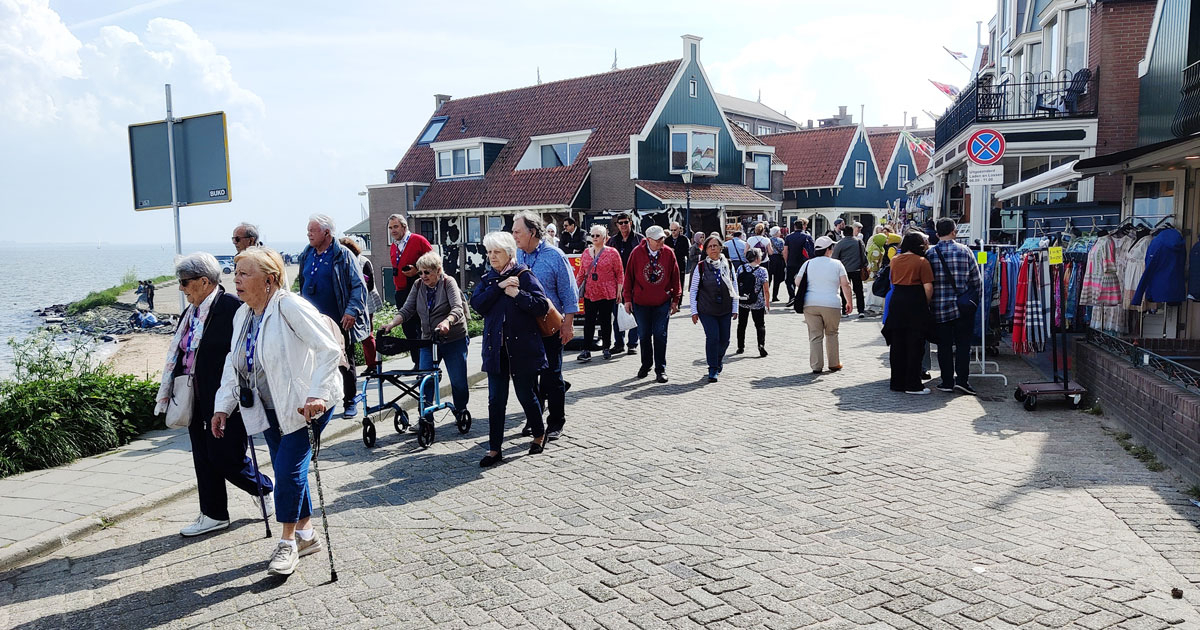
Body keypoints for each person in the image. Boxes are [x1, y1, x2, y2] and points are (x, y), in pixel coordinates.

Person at [213, 246, 343, 576]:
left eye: (245, 274)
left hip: (307, 404)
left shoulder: (290, 306)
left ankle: (287, 544)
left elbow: (329, 350)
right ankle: (306, 535)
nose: (236, 280)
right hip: (268, 406)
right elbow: (234, 364)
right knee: (289, 470)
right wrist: (223, 407)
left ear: (269, 279)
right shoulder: (243, 315)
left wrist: (316, 394)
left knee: (288, 470)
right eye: (235, 273)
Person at [155, 252, 273, 538]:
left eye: (185, 282)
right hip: (193, 396)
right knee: (203, 457)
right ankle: (213, 513)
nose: (181, 289)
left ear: (204, 281)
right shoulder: (191, 312)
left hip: (226, 396)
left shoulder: (232, 308)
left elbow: (244, 352)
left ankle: (264, 488)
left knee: (225, 456)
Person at [470, 231, 549, 467]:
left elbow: (541, 305)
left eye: (497, 252)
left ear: (509, 254)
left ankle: (538, 434)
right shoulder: (487, 279)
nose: (492, 257)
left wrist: (517, 294)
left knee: (526, 395)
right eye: (489, 252)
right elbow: (477, 305)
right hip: (496, 350)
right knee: (496, 400)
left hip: (522, 348)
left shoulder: (523, 275)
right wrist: (499, 287)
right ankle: (495, 449)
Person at [379, 251, 470, 422]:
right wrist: (391, 324)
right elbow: (407, 309)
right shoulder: (418, 285)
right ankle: (426, 418)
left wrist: (447, 322)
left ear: (438, 270)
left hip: (453, 339)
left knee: (458, 381)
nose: (423, 276)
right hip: (428, 339)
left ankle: (461, 410)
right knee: (425, 379)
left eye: (427, 272)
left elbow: (457, 308)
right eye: (420, 272)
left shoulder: (448, 282)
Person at [513, 211, 578, 440]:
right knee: (529, 377)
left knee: (552, 376)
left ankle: (556, 422)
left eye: (517, 231)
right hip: (526, 329)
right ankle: (534, 420)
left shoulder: (555, 256)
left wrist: (568, 325)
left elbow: (569, 292)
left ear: (532, 232)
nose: (514, 235)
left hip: (551, 326)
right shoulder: (517, 257)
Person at [297, 214, 369, 418]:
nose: (308, 234)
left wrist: (351, 311)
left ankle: (350, 401)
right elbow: (301, 284)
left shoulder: (343, 255)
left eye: (313, 230)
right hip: (312, 320)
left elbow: (358, 286)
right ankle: (319, 401)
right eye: (308, 230)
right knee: (313, 361)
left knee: (345, 361)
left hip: (338, 320)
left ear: (326, 233)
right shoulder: (306, 255)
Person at [927, 218, 982, 395]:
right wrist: (974, 303)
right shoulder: (965, 251)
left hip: (940, 309)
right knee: (963, 346)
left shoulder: (930, 254)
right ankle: (963, 381)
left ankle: (947, 381)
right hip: (963, 308)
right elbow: (977, 281)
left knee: (943, 347)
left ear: (937, 234)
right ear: (954, 231)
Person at [623, 225, 682, 383]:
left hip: (662, 301)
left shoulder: (668, 253)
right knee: (644, 335)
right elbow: (628, 276)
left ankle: (660, 368)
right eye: (657, 240)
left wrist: (676, 299)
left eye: (663, 238)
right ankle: (646, 364)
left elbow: (676, 276)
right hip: (641, 302)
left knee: (660, 335)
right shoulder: (636, 253)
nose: (661, 242)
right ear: (648, 240)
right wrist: (627, 299)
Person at [882, 233, 935, 394]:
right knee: (915, 344)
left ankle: (897, 382)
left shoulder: (895, 260)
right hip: (915, 301)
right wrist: (924, 304)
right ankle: (913, 384)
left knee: (897, 344)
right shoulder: (922, 262)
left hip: (897, 300)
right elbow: (928, 287)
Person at [797, 236, 854, 373]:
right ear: (829, 249)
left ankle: (816, 365)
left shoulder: (808, 263)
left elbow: (798, 282)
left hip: (810, 303)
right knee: (832, 333)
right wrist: (849, 302)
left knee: (815, 335)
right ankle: (834, 363)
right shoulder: (837, 264)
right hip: (831, 303)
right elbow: (845, 284)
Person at [690, 235, 739, 382]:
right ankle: (712, 368)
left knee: (725, 340)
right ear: (705, 249)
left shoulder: (728, 265)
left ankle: (718, 360)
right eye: (710, 246)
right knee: (713, 338)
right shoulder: (701, 266)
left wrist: (735, 307)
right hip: (707, 309)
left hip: (725, 308)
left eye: (716, 246)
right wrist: (694, 311)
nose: (713, 249)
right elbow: (693, 290)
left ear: (720, 248)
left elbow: (734, 285)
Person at [387, 213, 433, 367]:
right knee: (408, 328)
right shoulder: (393, 246)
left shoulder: (418, 240)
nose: (393, 230)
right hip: (401, 291)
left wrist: (418, 271)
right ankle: (417, 361)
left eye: (395, 226)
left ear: (404, 227)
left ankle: (426, 362)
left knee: (421, 326)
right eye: (390, 227)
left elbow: (434, 262)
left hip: (420, 288)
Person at [574, 224, 623, 362]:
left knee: (605, 321)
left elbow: (619, 273)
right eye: (593, 235)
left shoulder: (612, 252)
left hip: (607, 293)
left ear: (604, 238)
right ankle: (586, 350)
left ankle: (606, 347)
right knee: (588, 322)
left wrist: (619, 290)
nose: (594, 238)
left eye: (597, 236)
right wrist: (575, 289)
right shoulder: (585, 253)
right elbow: (581, 273)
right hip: (590, 292)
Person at [339, 237, 382, 376]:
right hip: (354, 302)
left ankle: (373, 364)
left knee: (366, 333)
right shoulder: (344, 262)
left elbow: (368, 285)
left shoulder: (363, 261)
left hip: (366, 301)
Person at [607, 212, 642, 354]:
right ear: (617, 225)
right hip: (617, 283)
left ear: (630, 223)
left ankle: (632, 343)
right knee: (617, 313)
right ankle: (619, 343)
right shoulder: (613, 241)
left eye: (625, 222)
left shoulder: (640, 240)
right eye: (620, 223)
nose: (623, 225)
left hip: (635, 281)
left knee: (634, 313)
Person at [735, 247, 770, 357]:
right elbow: (766, 289)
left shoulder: (741, 268)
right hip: (757, 301)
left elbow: (736, 284)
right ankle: (761, 345)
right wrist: (767, 303)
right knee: (760, 325)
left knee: (742, 324)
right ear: (756, 258)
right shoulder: (762, 271)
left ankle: (740, 346)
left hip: (743, 300)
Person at [832, 225, 868, 317]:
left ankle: (845, 311)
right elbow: (863, 255)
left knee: (844, 290)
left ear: (843, 233)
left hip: (844, 270)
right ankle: (861, 310)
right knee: (859, 291)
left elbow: (835, 257)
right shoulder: (859, 242)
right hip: (857, 269)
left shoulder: (840, 243)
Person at [782, 219, 814, 306]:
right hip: (803, 263)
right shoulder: (807, 237)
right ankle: (802, 298)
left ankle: (792, 296)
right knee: (803, 281)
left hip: (791, 262)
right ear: (803, 226)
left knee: (789, 281)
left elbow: (785, 251)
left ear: (794, 227)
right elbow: (812, 250)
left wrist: (786, 261)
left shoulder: (788, 237)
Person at [665, 222, 690, 290]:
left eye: (675, 230)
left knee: (680, 284)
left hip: (680, 264)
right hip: (670, 265)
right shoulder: (667, 240)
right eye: (672, 230)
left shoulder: (684, 239)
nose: (673, 232)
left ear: (679, 229)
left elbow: (686, 252)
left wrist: (675, 250)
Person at [767, 226, 786, 302]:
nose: (780, 232)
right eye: (779, 231)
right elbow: (783, 250)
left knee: (769, 278)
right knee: (777, 279)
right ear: (776, 232)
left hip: (770, 259)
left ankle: (766, 295)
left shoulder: (768, 240)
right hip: (778, 259)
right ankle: (775, 296)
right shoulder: (781, 240)